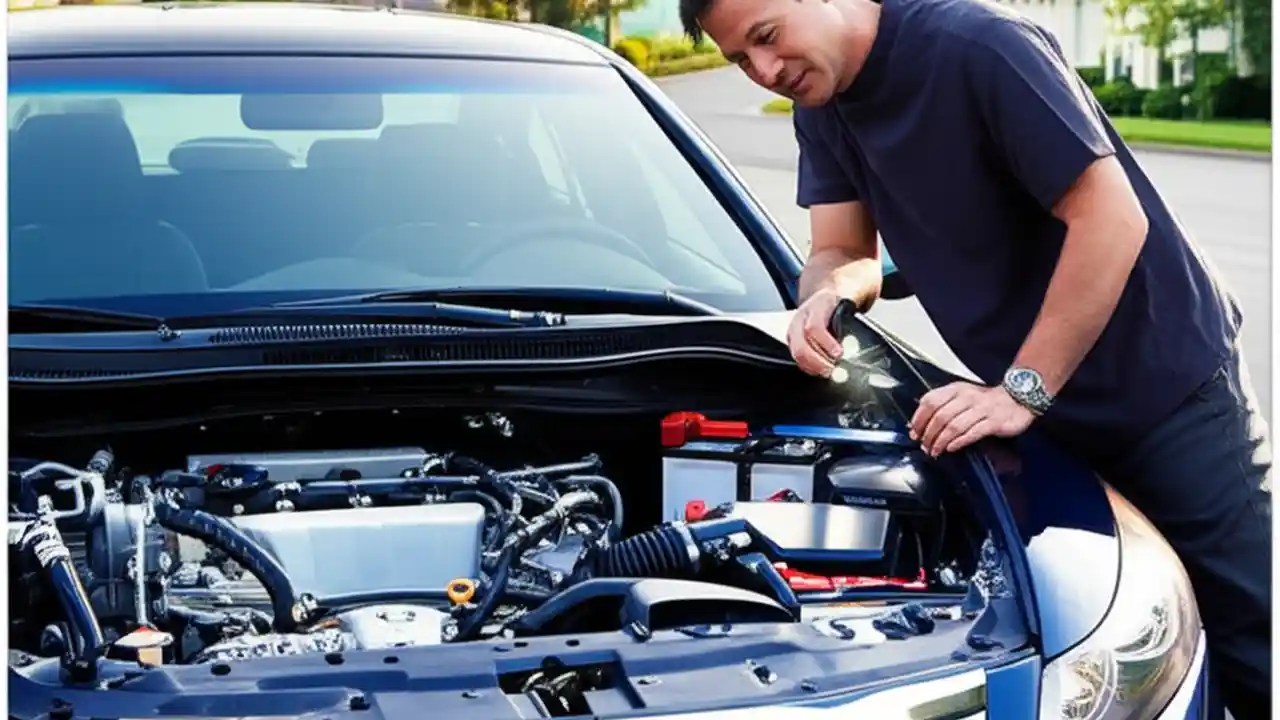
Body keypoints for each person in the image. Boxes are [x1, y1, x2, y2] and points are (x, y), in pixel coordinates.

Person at [679, 0, 1271, 716]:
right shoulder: (824, 106)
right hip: (1048, 423)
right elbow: (841, 248)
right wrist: (827, 293)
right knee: (1113, 654)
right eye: (741, 59)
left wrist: (1020, 390)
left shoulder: (980, 47)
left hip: (1168, 395)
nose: (765, 71)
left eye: (767, 38)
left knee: (1253, 644)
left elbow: (1112, 218)